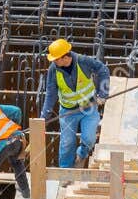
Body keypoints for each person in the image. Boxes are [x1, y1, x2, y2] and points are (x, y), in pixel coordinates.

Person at [39, 38, 110, 168]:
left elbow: (103, 70)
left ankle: (82, 154)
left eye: (56, 59)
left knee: (89, 139)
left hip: (89, 108)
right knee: (67, 143)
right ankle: (65, 171)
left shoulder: (83, 61)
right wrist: (44, 116)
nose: (53, 61)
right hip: (68, 112)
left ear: (65, 57)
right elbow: (51, 93)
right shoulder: (53, 70)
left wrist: (103, 94)